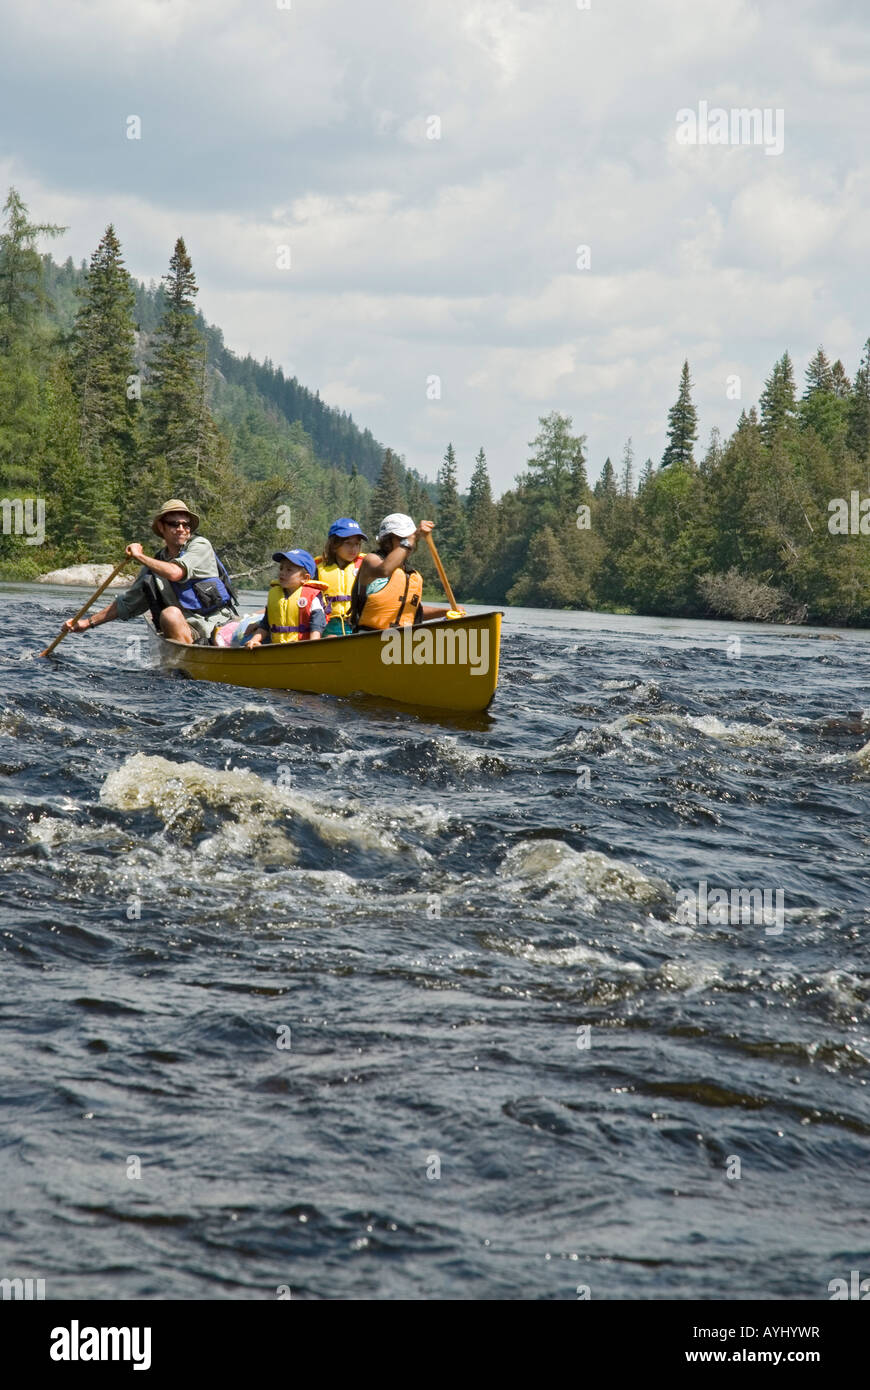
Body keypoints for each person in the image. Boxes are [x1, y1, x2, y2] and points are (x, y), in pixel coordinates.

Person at [62, 499, 238, 645]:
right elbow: (128, 603)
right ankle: (186, 666)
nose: (181, 529)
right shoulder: (153, 569)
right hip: (188, 631)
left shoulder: (200, 546)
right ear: (161, 527)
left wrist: (139, 556)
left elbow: (176, 572)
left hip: (220, 624)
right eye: (174, 524)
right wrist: (86, 623)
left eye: (186, 525)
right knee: (170, 615)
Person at [350, 514, 464, 631]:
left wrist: (446, 612)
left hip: (399, 642)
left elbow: (412, 611)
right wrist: (412, 537)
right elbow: (385, 570)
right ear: (387, 541)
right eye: (401, 539)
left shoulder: (411, 575)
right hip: (368, 637)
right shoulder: (371, 560)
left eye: (408, 539)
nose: (408, 544)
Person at [245, 549, 329, 647]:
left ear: (305, 578)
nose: (282, 573)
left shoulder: (312, 597)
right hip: (277, 646)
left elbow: (317, 625)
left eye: (289, 570)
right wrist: (254, 640)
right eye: (281, 568)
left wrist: (312, 645)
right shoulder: (275, 595)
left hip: (301, 646)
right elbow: (265, 625)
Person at [316, 518, 368, 637]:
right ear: (334, 545)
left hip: (356, 624)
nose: (353, 549)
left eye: (357, 544)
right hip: (328, 626)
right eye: (348, 543)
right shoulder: (317, 568)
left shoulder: (366, 565)